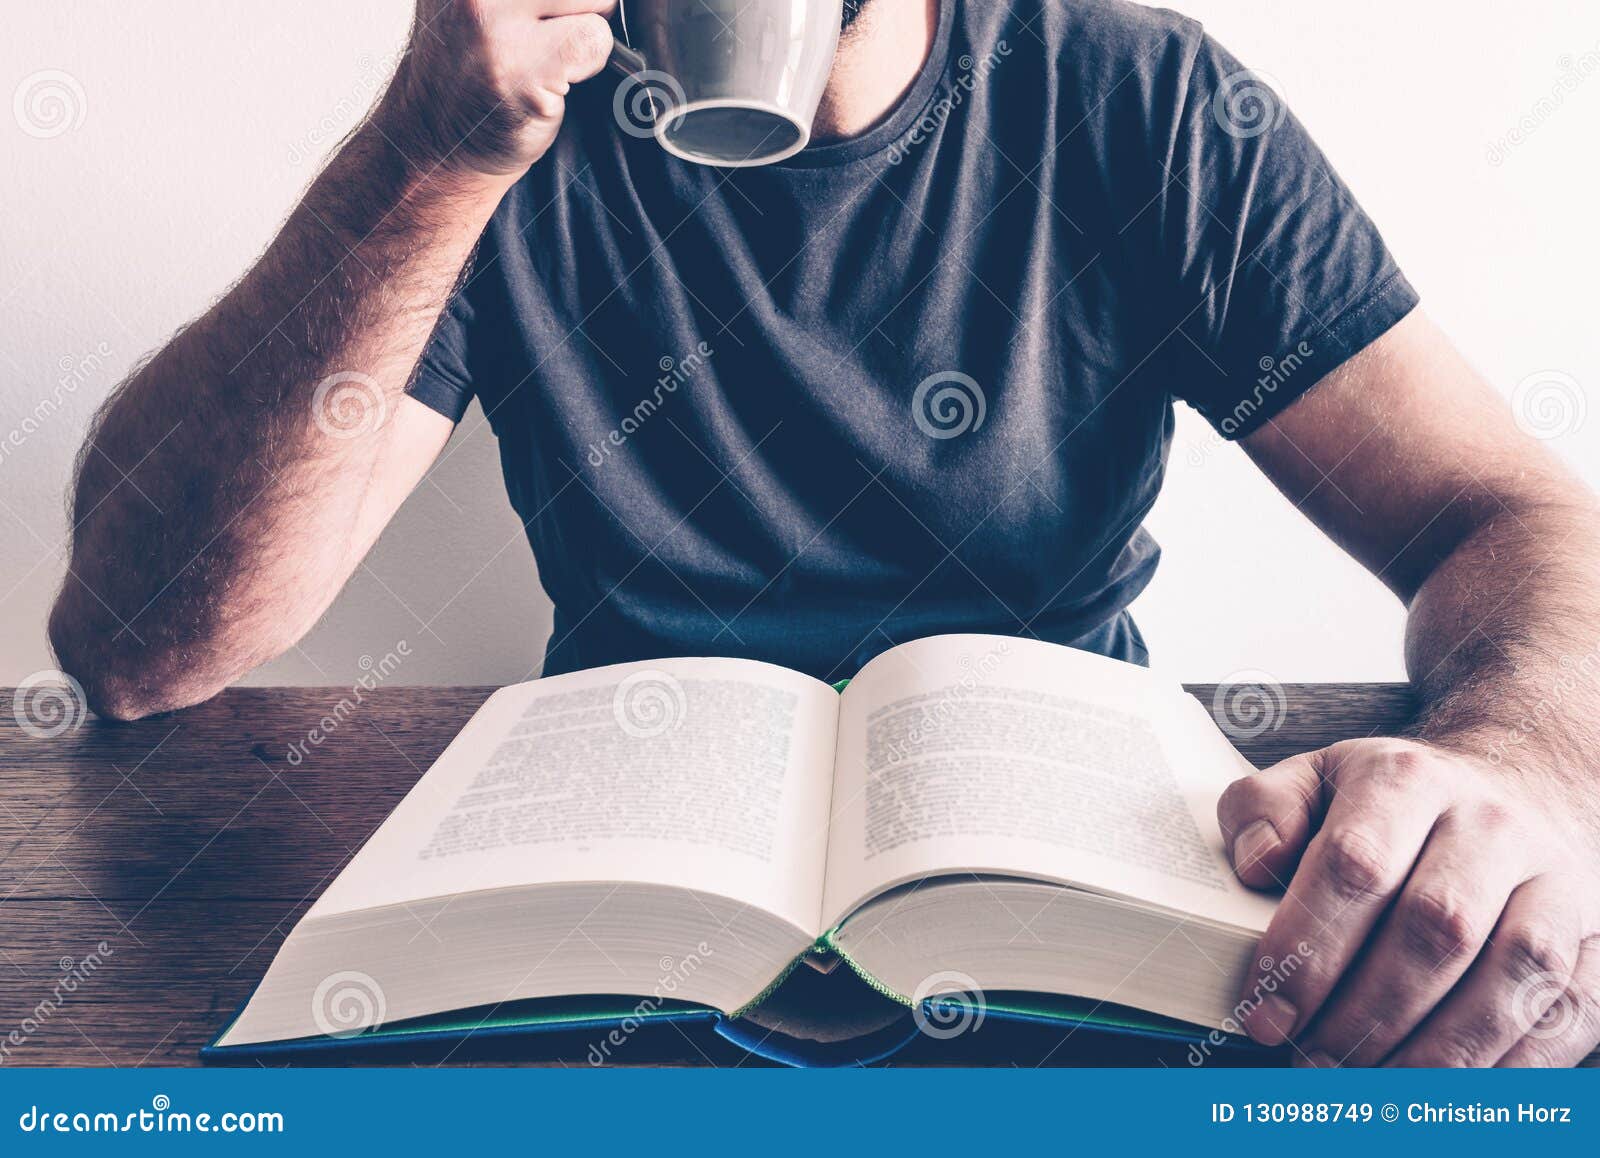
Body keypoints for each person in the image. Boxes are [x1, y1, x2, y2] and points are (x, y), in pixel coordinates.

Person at [48, 0, 1600, 1066]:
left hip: (1069, 918)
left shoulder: (1146, 106)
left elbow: (1506, 517)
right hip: (622, 929)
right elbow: (139, 645)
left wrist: (1525, 756)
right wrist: (425, 154)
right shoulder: (495, 137)